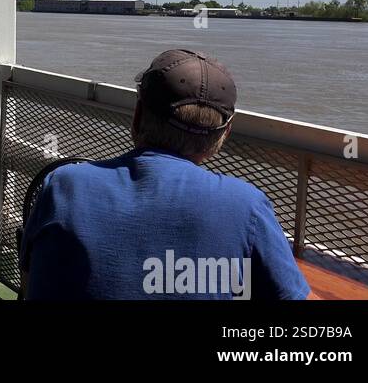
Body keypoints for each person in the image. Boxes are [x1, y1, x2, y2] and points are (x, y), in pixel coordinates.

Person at [21, 49, 311, 300]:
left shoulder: (63, 184)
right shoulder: (245, 206)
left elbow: (32, 273)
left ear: (137, 116)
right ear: (223, 136)